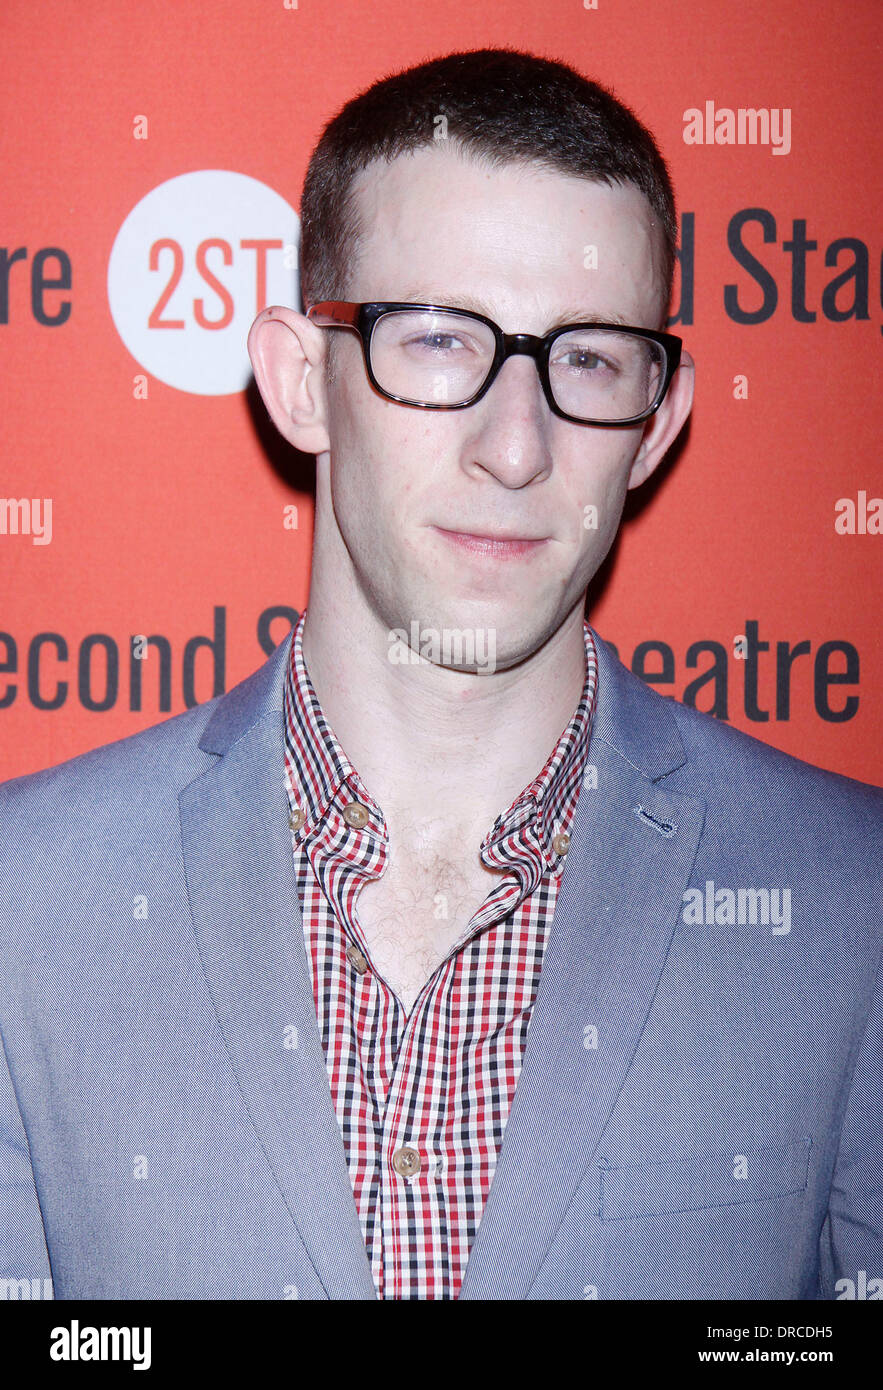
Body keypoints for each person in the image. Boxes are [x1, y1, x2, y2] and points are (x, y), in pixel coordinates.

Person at [1, 48, 880, 1303]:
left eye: (586, 359)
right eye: (435, 340)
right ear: (304, 380)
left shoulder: (850, 904)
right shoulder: (23, 908)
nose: (515, 446)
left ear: (660, 419)